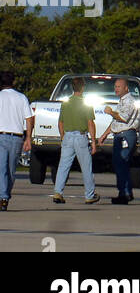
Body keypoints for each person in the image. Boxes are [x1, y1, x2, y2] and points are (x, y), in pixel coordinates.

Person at [52, 76, 98, 205]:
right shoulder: (86, 103)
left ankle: (58, 192)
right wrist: (93, 141)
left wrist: (62, 136)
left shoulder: (66, 102)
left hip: (67, 136)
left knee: (63, 166)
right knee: (86, 167)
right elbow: (90, 123)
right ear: (83, 87)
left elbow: (60, 122)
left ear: (72, 87)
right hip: (80, 136)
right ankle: (89, 195)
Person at [102, 77, 140, 205]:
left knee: (121, 163)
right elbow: (116, 122)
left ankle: (124, 193)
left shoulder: (129, 101)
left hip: (126, 135)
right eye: (115, 87)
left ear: (126, 88)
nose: (116, 89)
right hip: (120, 135)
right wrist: (104, 134)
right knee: (119, 164)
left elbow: (123, 118)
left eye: (119, 86)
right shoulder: (121, 101)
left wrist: (110, 112)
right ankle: (125, 192)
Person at [0, 71, 35, 211]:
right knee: (10, 169)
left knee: (2, 168)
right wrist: (28, 137)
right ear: (13, 82)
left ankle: (4, 196)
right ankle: (4, 196)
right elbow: (29, 118)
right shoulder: (21, 98)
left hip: (1, 135)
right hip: (16, 136)